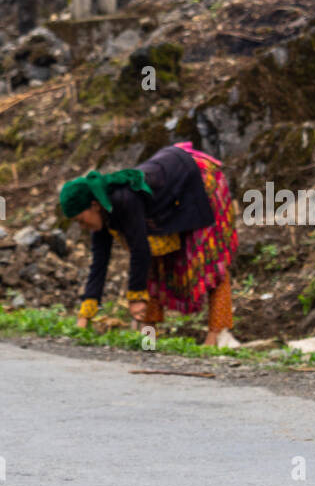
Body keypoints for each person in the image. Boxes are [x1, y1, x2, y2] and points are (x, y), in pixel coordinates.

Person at [60, 141, 239, 346]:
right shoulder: (103, 209)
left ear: (94, 205)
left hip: (198, 180)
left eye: (81, 220)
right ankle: (148, 341)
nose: (82, 226)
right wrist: (84, 316)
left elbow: (140, 249)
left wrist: (136, 298)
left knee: (209, 260)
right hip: (168, 197)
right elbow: (99, 262)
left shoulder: (124, 199)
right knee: (153, 267)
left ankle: (217, 336)